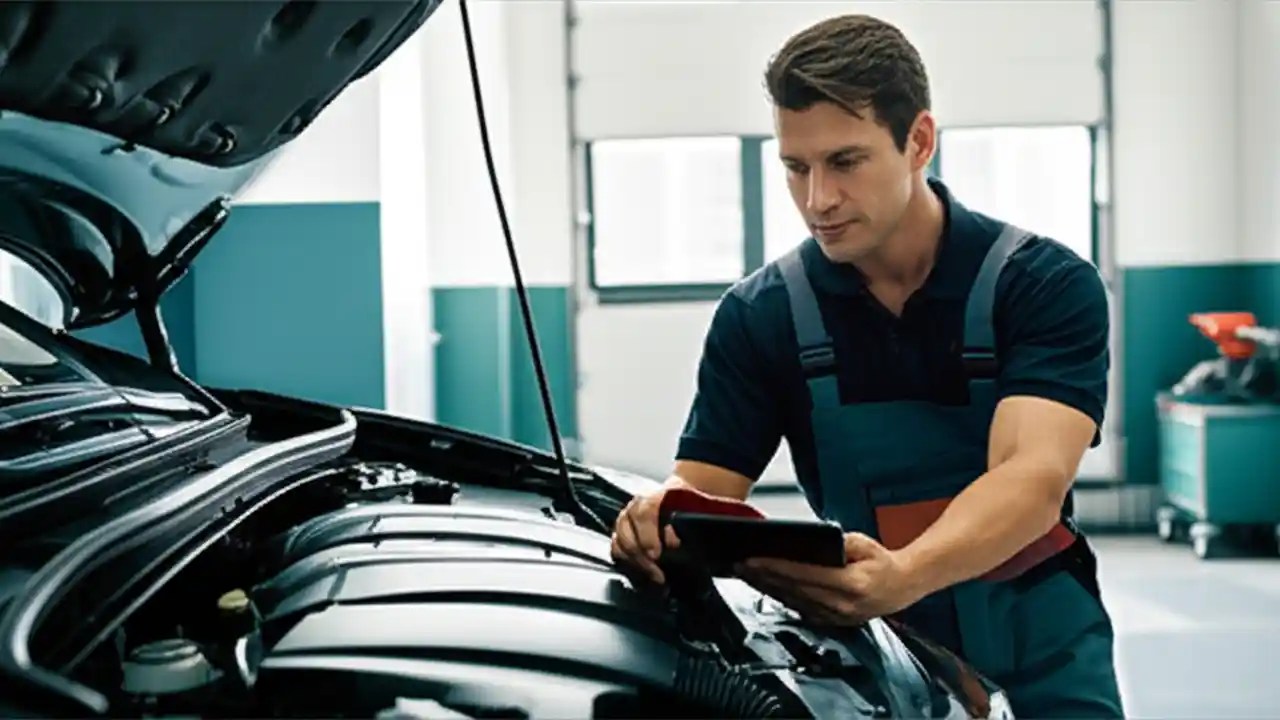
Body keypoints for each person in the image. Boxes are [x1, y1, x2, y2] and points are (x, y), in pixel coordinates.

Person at [609, 12, 1125, 719]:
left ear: (919, 142)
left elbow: (1030, 479)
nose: (817, 200)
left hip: (1040, 640)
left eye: (845, 162)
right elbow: (702, 494)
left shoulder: (1042, 286)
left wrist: (902, 575)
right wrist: (656, 518)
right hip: (879, 651)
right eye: (796, 167)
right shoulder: (761, 316)